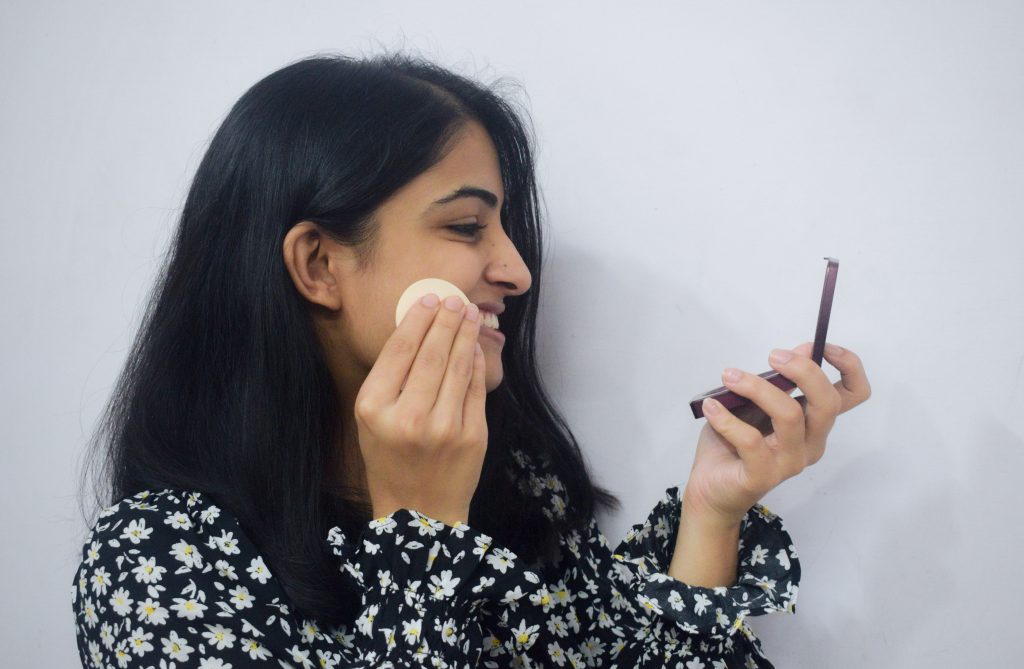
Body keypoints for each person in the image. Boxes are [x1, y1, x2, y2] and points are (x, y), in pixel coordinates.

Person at [71, 52, 871, 668]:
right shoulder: (156, 562)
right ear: (317, 264)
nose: (517, 271)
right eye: (465, 227)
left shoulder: (516, 481)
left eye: (505, 227)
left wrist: (712, 510)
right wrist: (420, 528)